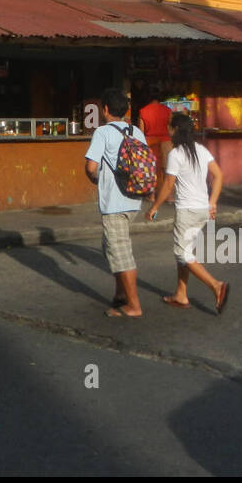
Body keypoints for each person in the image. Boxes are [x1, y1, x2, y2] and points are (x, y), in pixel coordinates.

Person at [146, 113, 229, 314]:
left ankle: (216, 286)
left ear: (176, 130)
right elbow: (219, 175)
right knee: (186, 252)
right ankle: (181, 294)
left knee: (182, 253)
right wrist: (212, 202)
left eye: (169, 126)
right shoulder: (201, 150)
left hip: (188, 211)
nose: (168, 130)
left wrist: (154, 207)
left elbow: (168, 184)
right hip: (202, 209)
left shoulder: (176, 154)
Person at [84, 88, 149, 318]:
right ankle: (121, 293)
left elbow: (91, 167)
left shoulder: (102, 132)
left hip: (114, 201)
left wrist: (95, 178)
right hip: (134, 198)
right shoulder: (136, 131)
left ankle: (134, 306)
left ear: (105, 109)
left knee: (120, 252)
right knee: (109, 246)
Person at [137, 85, 173, 169]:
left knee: (151, 169)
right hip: (166, 143)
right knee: (167, 169)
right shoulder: (167, 110)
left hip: (150, 144)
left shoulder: (143, 111)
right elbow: (171, 129)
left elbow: (141, 133)